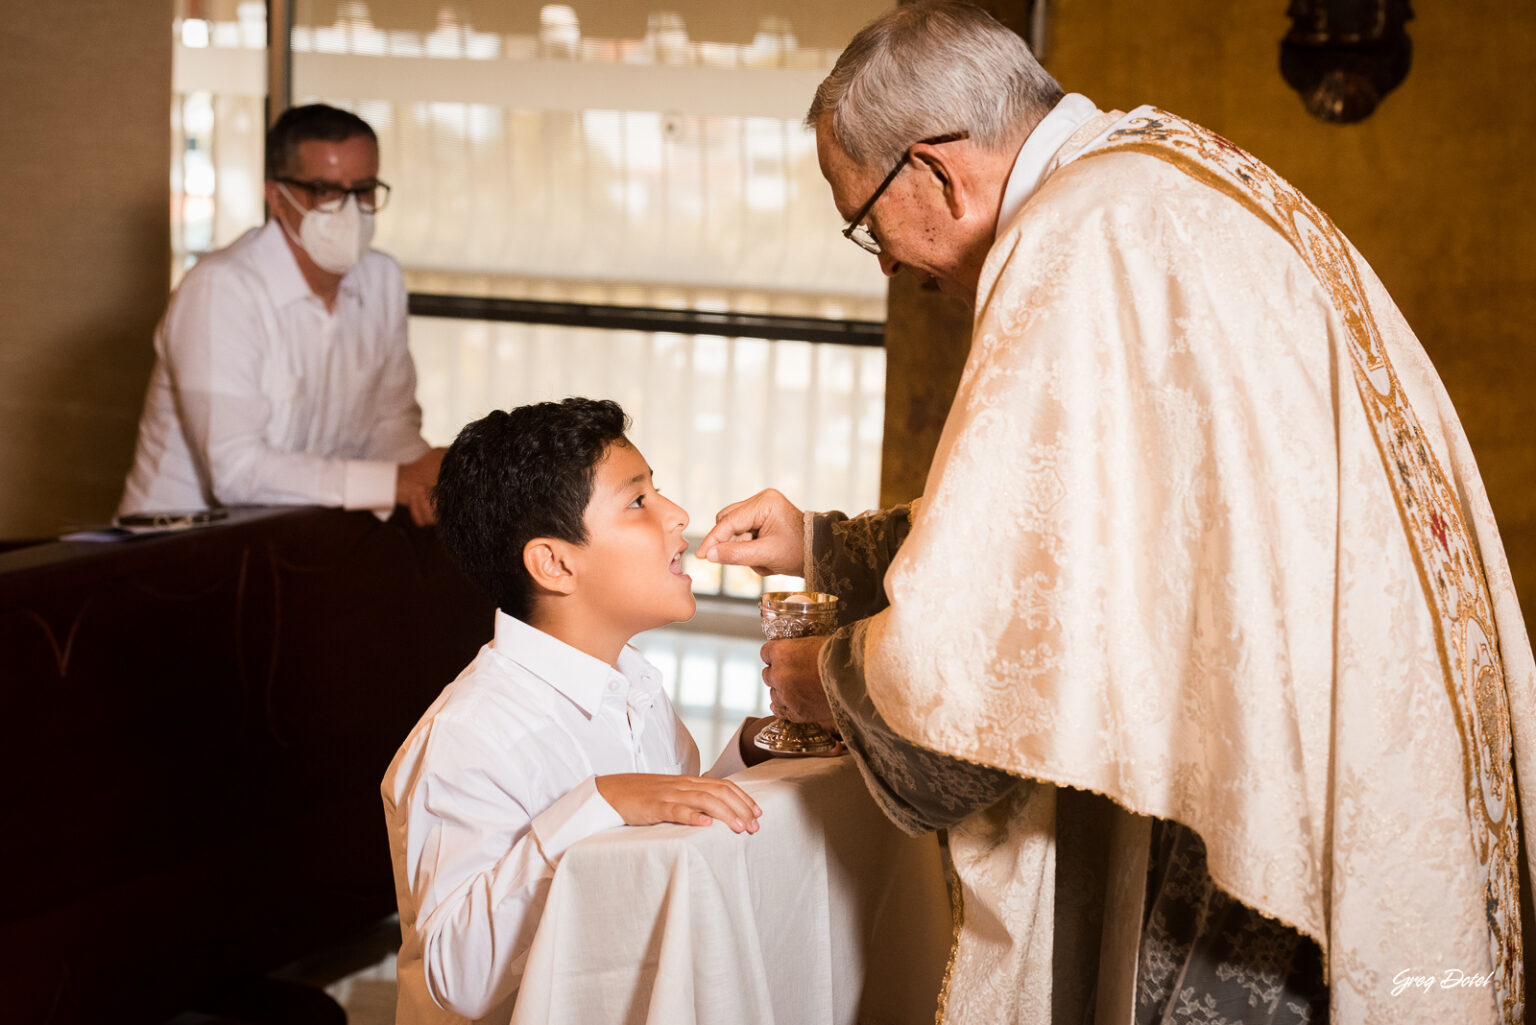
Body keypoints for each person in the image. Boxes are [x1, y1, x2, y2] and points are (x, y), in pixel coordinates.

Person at [698, 3, 1536, 1023]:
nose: (887, 266)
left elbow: (978, 645)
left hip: (1260, 790)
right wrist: (827, 543)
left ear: (932, 170)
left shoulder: (1081, 234)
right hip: (1366, 728)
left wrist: (833, 681)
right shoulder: (1158, 174)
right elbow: (1096, 522)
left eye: (864, 221)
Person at [381, 397, 777, 1024]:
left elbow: (656, 855)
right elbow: (455, 977)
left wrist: (748, 758)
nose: (678, 517)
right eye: (639, 501)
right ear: (555, 563)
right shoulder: (468, 735)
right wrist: (598, 802)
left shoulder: (634, 684)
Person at [118, 103, 445, 526]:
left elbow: (388, 424)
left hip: (293, 542)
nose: (348, 211)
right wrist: (394, 482)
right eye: (325, 190)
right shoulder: (222, 289)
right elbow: (236, 472)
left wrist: (429, 475)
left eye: (363, 190)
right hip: (172, 552)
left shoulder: (382, 279)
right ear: (277, 197)